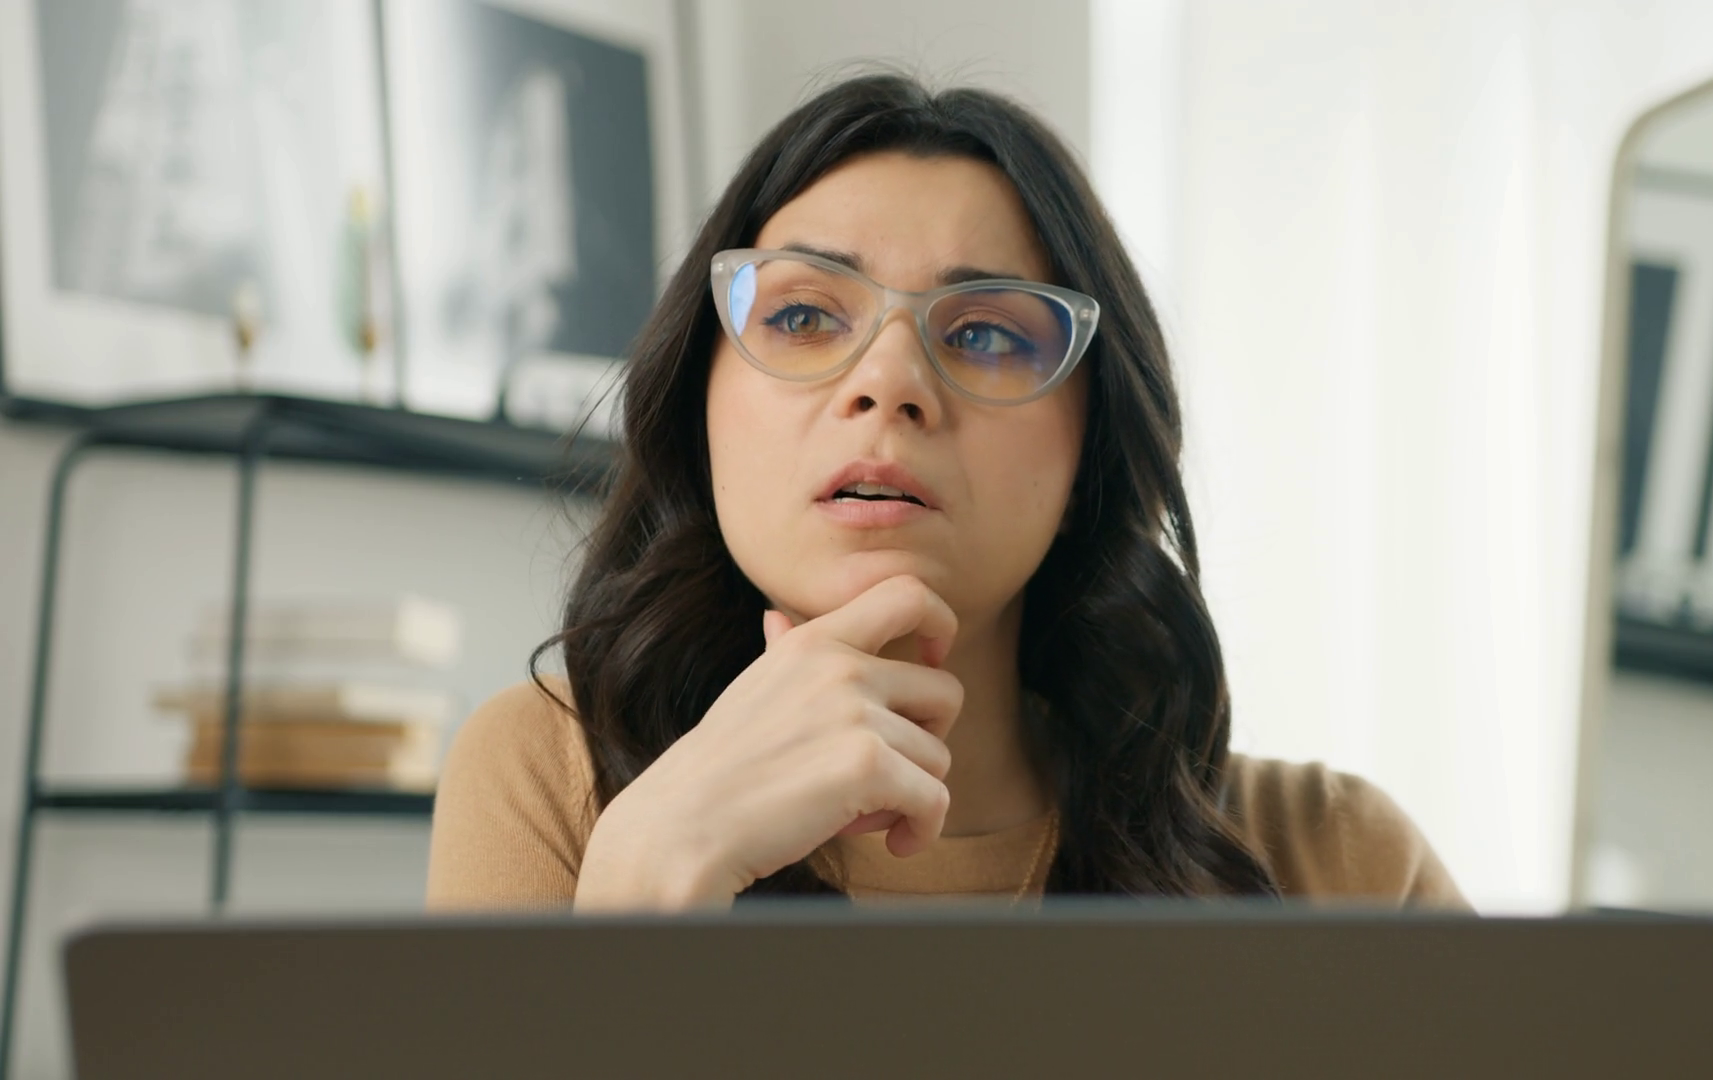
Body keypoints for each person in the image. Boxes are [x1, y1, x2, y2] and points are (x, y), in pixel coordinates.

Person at [425, 73, 1465, 911]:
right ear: (701, 400)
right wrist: (656, 873)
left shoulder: (1337, 862)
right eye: (800, 317)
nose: (887, 382)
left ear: (1088, 450)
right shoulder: (552, 781)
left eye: (986, 334)